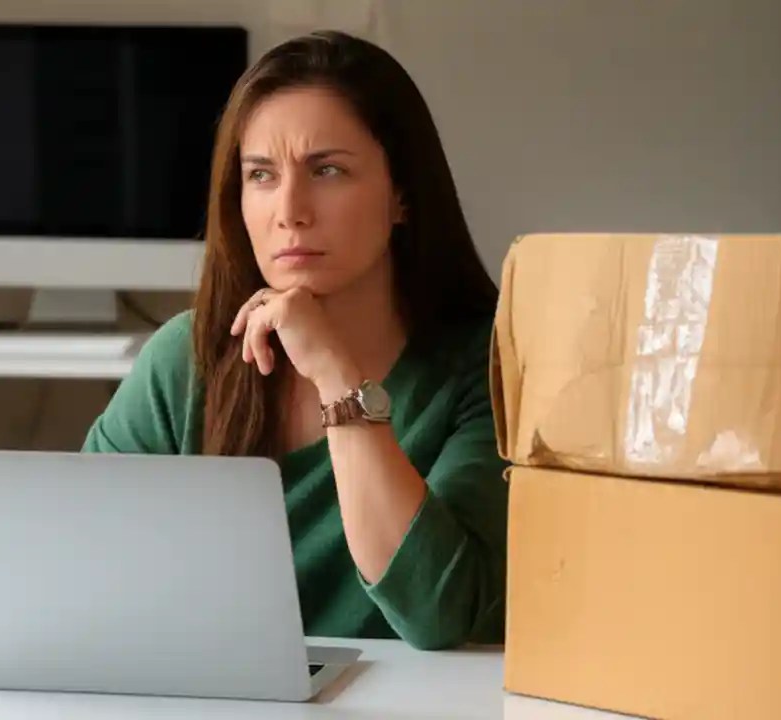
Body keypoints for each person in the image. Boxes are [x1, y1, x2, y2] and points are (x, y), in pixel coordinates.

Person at [82, 30, 508, 651]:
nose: (290, 210)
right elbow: (77, 565)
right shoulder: (187, 358)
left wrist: (337, 378)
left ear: (402, 195)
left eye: (327, 170)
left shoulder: (485, 367)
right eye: (261, 175)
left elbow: (439, 616)